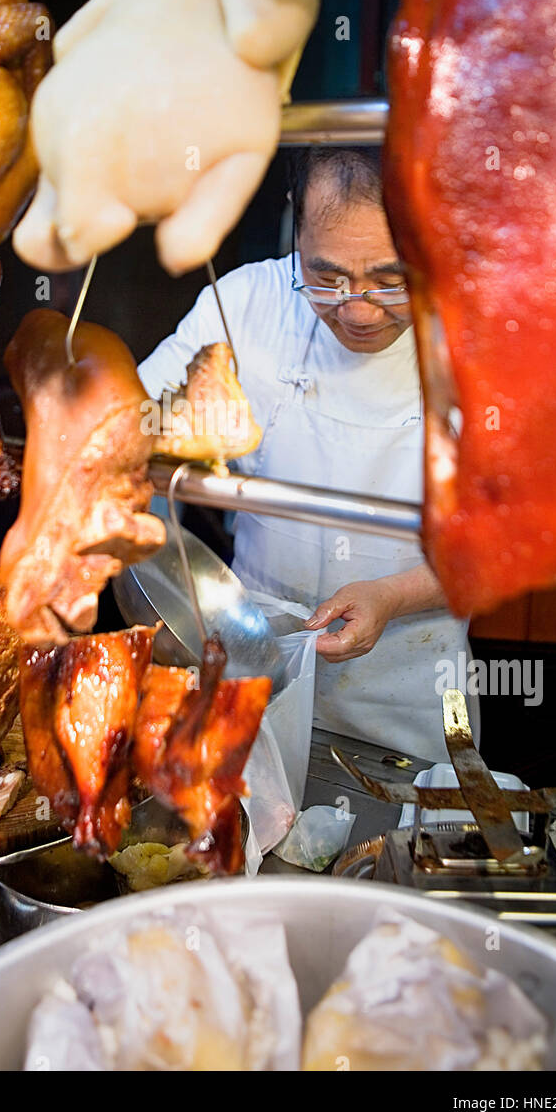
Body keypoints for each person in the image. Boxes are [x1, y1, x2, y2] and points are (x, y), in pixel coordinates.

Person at [138, 148, 473, 763]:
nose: (358, 309)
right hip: (252, 671)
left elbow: (504, 540)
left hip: (417, 692)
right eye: (326, 276)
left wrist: (392, 596)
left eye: (390, 278)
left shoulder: (482, 332)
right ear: (297, 224)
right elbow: (136, 424)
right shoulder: (247, 306)